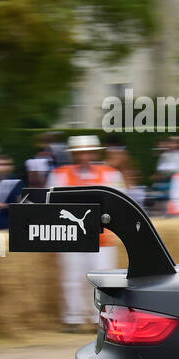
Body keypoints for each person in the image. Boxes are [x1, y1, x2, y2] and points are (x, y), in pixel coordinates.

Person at [48, 135, 125, 331]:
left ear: (94, 153)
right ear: (73, 154)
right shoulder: (60, 174)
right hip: (71, 236)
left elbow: (120, 203)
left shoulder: (110, 174)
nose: (84, 156)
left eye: (87, 152)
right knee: (72, 278)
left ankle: (98, 318)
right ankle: (73, 318)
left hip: (102, 237)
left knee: (102, 280)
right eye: (79, 153)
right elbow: (50, 203)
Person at [0, 155, 23, 231]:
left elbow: (21, 206)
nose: (0, 168)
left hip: (7, 229)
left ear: (11, 167)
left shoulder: (16, 183)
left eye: (5, 164)